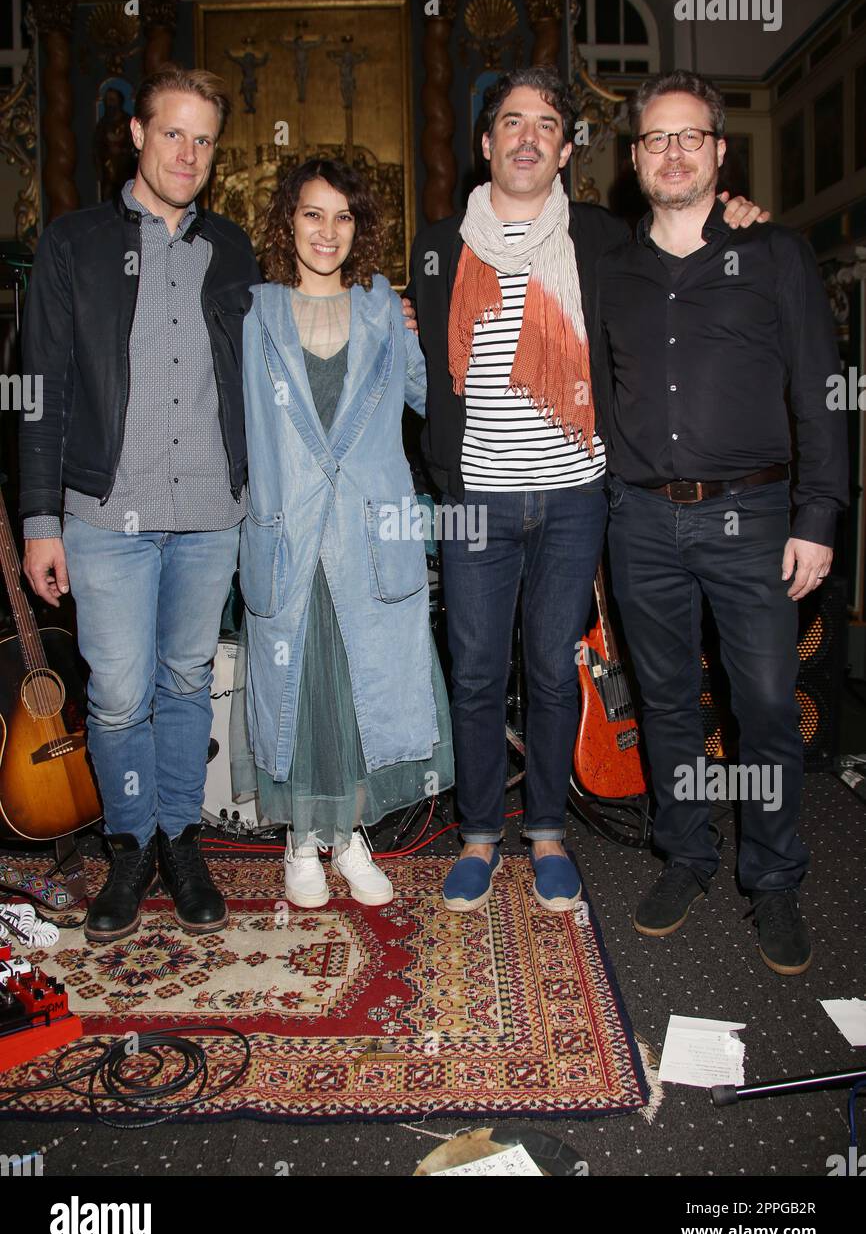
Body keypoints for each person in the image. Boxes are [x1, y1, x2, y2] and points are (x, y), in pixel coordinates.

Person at [407, 65, 764, 915]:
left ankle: (548, 833)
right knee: (474, 675)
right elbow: (425, 369)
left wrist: (737, 212)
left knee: (555, 673)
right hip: (476, 502)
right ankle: (479, 835)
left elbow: (691, 238)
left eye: (545, 125)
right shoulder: (436, 247)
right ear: (487, 142)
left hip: (574, 499)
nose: (527, 137)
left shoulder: (605, 240)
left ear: (566, 149)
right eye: (511, 122)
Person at [599, 69, 847, 975]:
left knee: (767, 710)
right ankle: (687, 856)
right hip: (639, 522)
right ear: (634, 160)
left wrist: (818, 517)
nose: (672, 152)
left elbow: (821, 394)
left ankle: (774, 879)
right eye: (656, 140)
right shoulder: (610, 267)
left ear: (717, 151)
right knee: (666, 704)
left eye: (688, 137)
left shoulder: (774, 253)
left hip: (753, 515)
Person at [19, 64, 261, 942]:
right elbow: (39, 388)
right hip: (101, 516)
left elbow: (258, 374)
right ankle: (131, 846)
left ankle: (180, 840)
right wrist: (40, 521)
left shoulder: (232, 248)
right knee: (119, 695)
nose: (188, 153)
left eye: (203, 140)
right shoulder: (73, 243)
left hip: (209, 517)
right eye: (173, 133)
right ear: (136, 134)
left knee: (188, 681)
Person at [236, 158, 454, 907]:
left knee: (365, 690)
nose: (327, 232)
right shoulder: (253, 313)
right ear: (286, 221)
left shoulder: (384, 313)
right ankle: (302, 840)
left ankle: (351, 835)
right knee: (301, 685)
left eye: (343, 217)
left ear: (359, 229)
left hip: (367, 539)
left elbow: (440, 398)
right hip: (288, 537)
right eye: (311, 214)